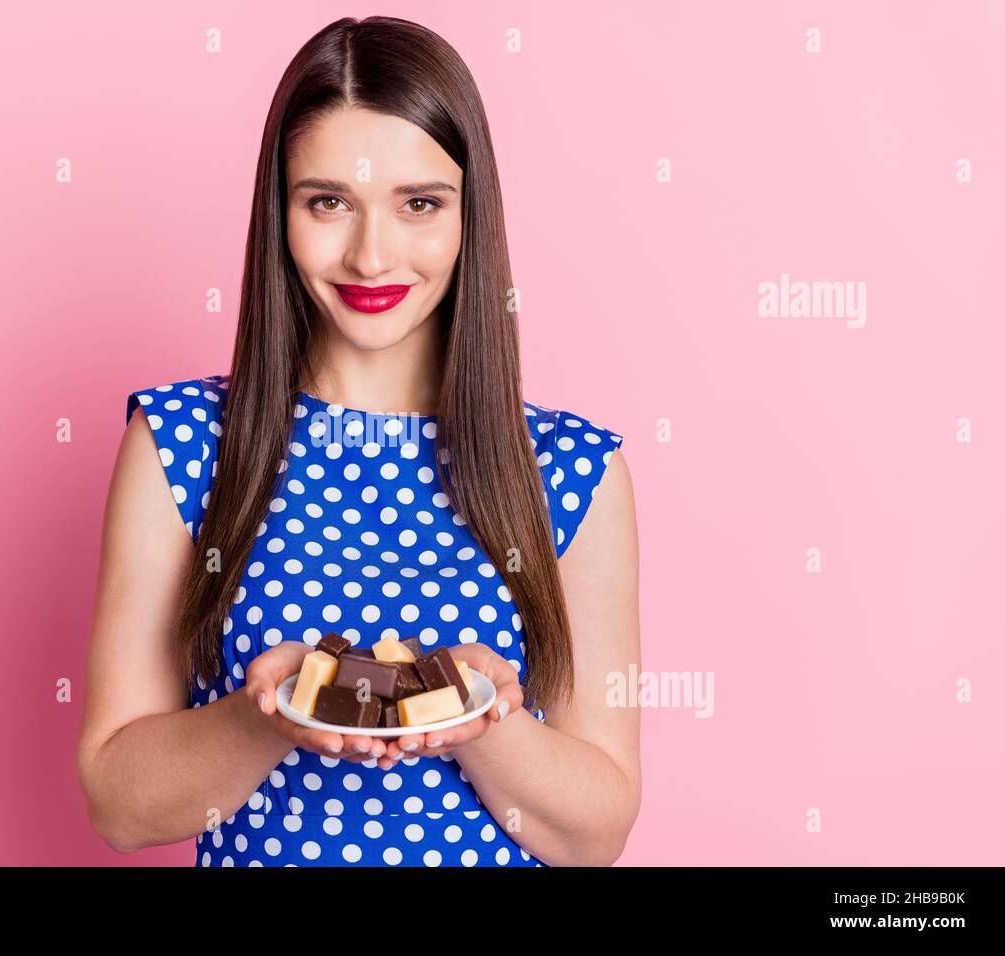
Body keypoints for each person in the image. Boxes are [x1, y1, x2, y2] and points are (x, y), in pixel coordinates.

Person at [77, 15, 641, 867]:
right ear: (281, 212)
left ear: (469, 216)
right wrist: (266, 712)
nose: (372, 256)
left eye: (419, 204)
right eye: (329, 202)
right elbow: (119, 805)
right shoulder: (184, 444)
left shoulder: (570, 472)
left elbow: (596, 833)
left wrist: (479, 718)